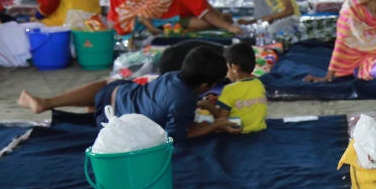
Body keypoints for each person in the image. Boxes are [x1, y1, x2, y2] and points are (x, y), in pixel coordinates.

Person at [17, 45, 237, 140]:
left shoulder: (173, 76)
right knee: (110, 87)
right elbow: (178, 136)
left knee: (111, 84)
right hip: (115, 116)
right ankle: (51, 104)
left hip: (117, 95)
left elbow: (167, 100)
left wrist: (201, 104)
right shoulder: (185, 100)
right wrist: (215, 125)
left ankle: (49, 102)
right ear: (205, 85)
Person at [205, 43, 267, 134]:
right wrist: (219, 98)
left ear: (234, 67)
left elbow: (222, 118)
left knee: (205, 120)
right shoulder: (259, 83)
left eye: (226, 67)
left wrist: (207, 105)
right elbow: (244, 96)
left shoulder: (229, 89)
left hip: (237, 131)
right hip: (259, 128)